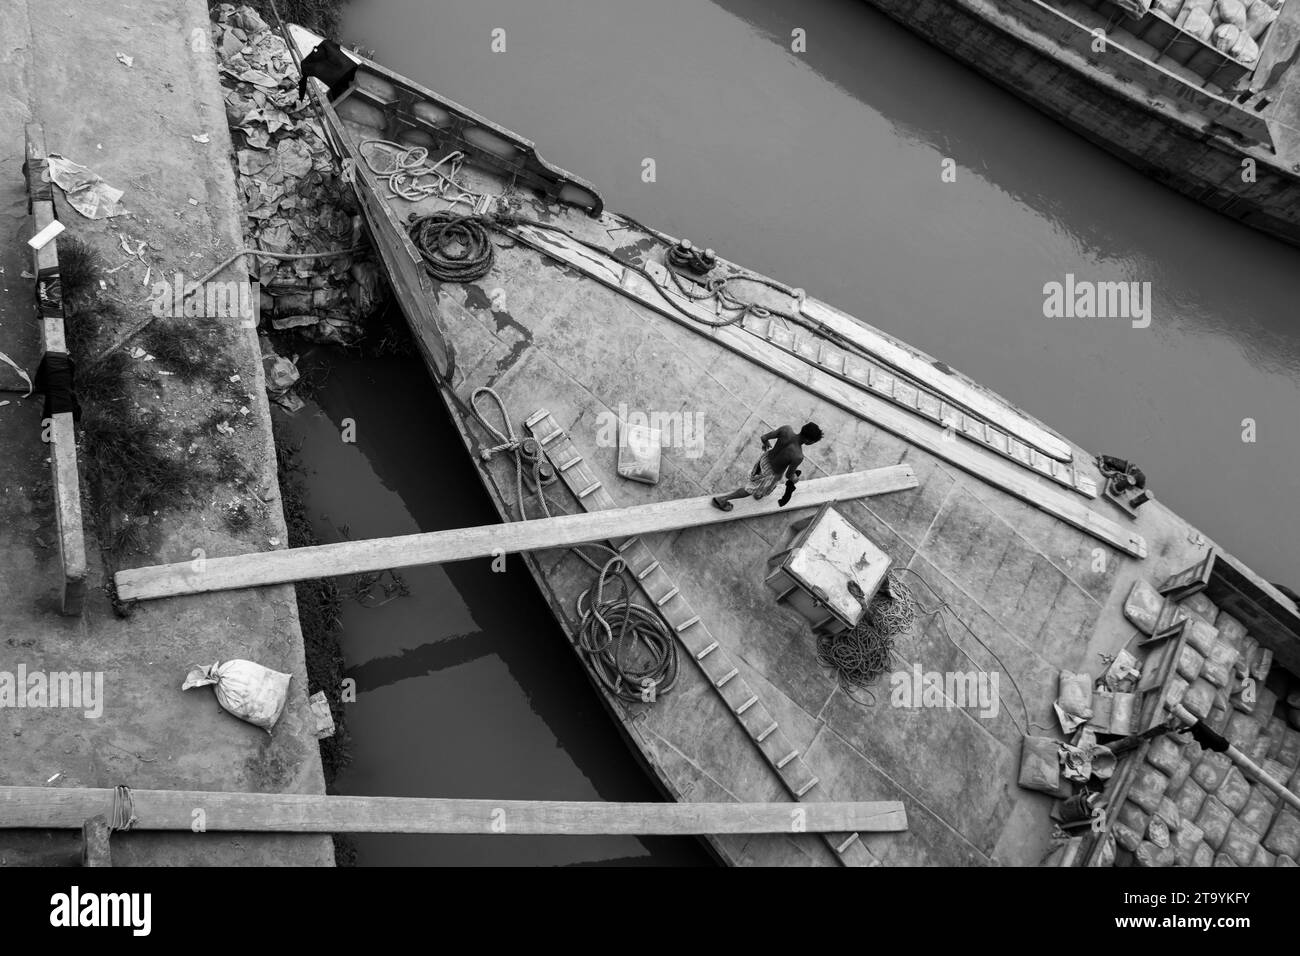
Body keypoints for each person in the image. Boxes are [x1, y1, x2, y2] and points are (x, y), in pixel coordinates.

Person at [712, 423, 822, 512]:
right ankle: (722, 500)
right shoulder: (798, 456)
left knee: (756, 481)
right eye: (813, 442)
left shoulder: (786, 429)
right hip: (771, 474)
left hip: (764, 460)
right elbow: (789, 475)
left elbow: (764, 437)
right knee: (749, 489)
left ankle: (759, 491)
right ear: (808, 441)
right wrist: (795, 479)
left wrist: (766, 444)